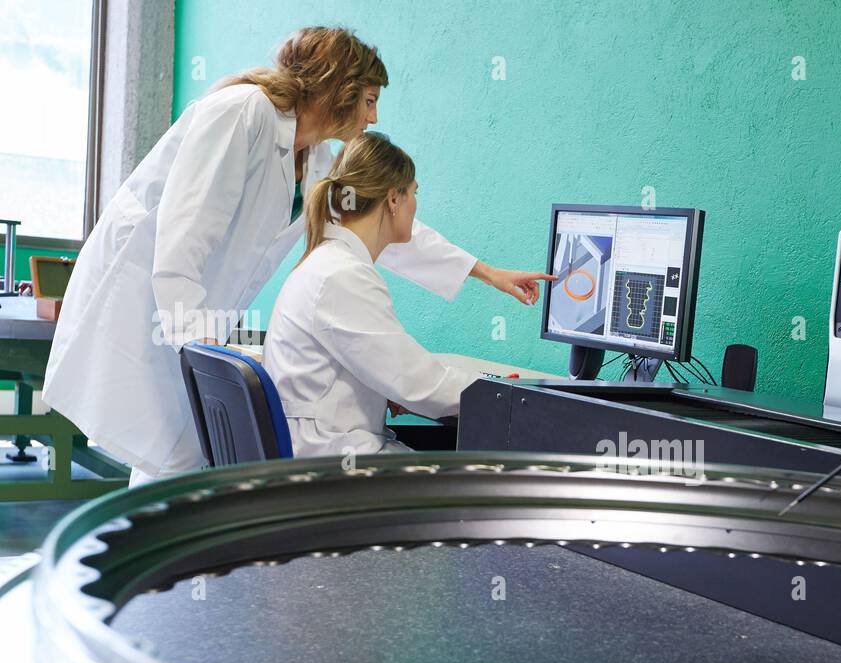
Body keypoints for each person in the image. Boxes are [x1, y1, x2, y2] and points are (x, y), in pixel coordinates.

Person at [43, 26, 548, 485]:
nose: (373, 117)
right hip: (149, 303)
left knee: (175, 452)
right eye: (369, 100)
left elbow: (374, 219)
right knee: (170, 449)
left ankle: (154, 549)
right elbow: (182, 240)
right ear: (338, 88)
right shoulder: (242, 112)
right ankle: (147, 551)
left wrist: (484, 272)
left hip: (192, 314)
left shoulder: (315, 157)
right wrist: (203, 355)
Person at [264, 133, 540, 456]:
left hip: (319, 448)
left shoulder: (328, 264)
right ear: (393, 200)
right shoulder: (342, 276)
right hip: (332, 457)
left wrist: (387, 391)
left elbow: (390, 371)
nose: (415, 206)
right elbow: (420, 384)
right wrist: (506, 395)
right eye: (414, 192)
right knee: (483, 477)